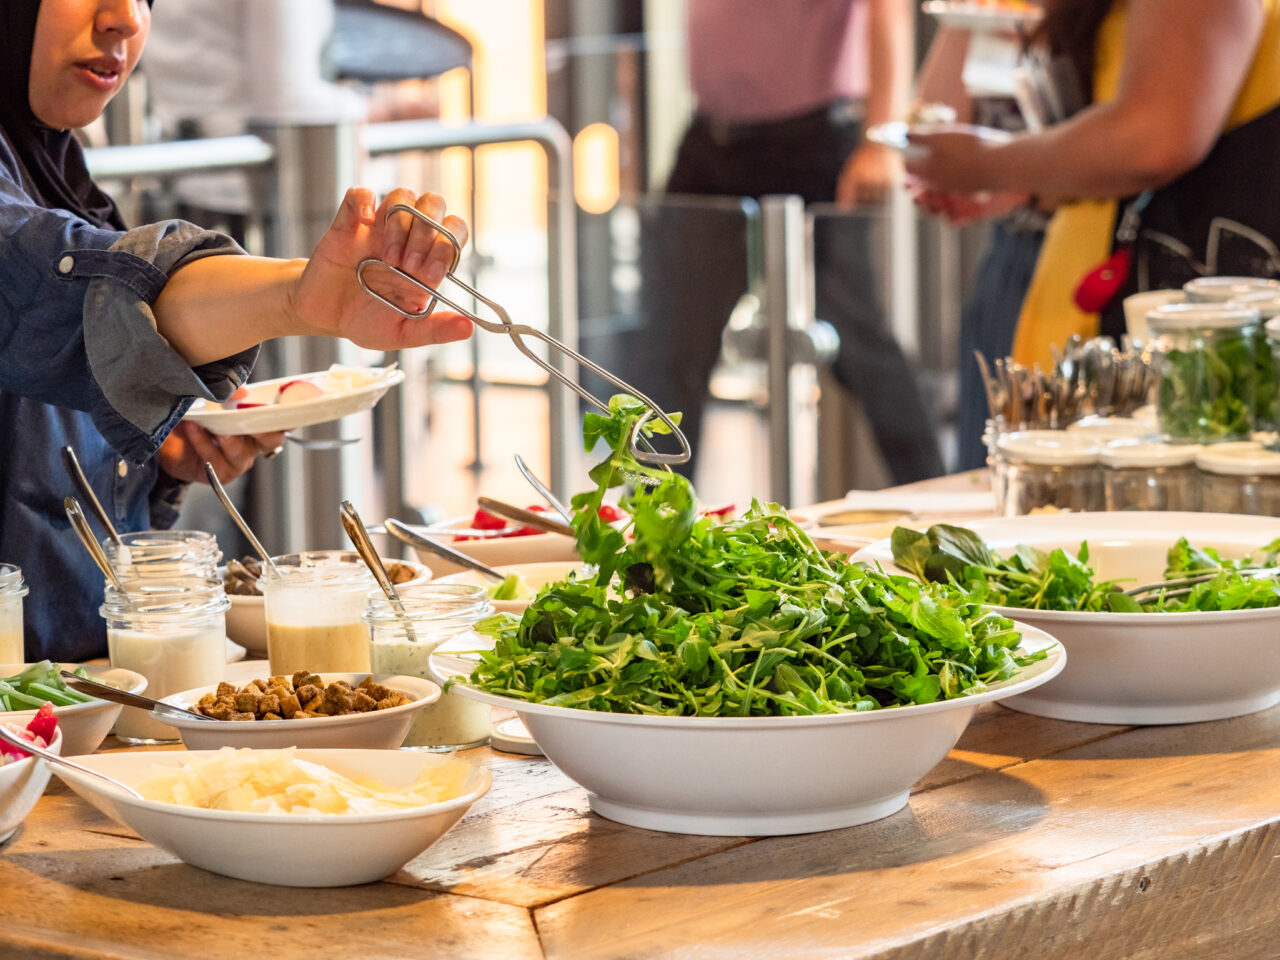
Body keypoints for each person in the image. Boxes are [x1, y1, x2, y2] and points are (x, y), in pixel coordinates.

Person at [0, 0, 471, 661]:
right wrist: (298, 296)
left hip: (83, 689)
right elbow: (47, 286)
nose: (124, 19)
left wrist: (157, 450)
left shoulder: (53, 164)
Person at [626, 0, 943, 486]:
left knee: (861, 347)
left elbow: (887, 10)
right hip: (710, 139)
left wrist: (878, 143)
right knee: (671, 346)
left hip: (810, 142)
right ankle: (651, 520)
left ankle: (936, 499)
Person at [907, 0, 1280, 373]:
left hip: (1172, 298)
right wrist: (1028, 184)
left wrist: (988, 164)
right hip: (1076, 269)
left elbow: (1154, 138)